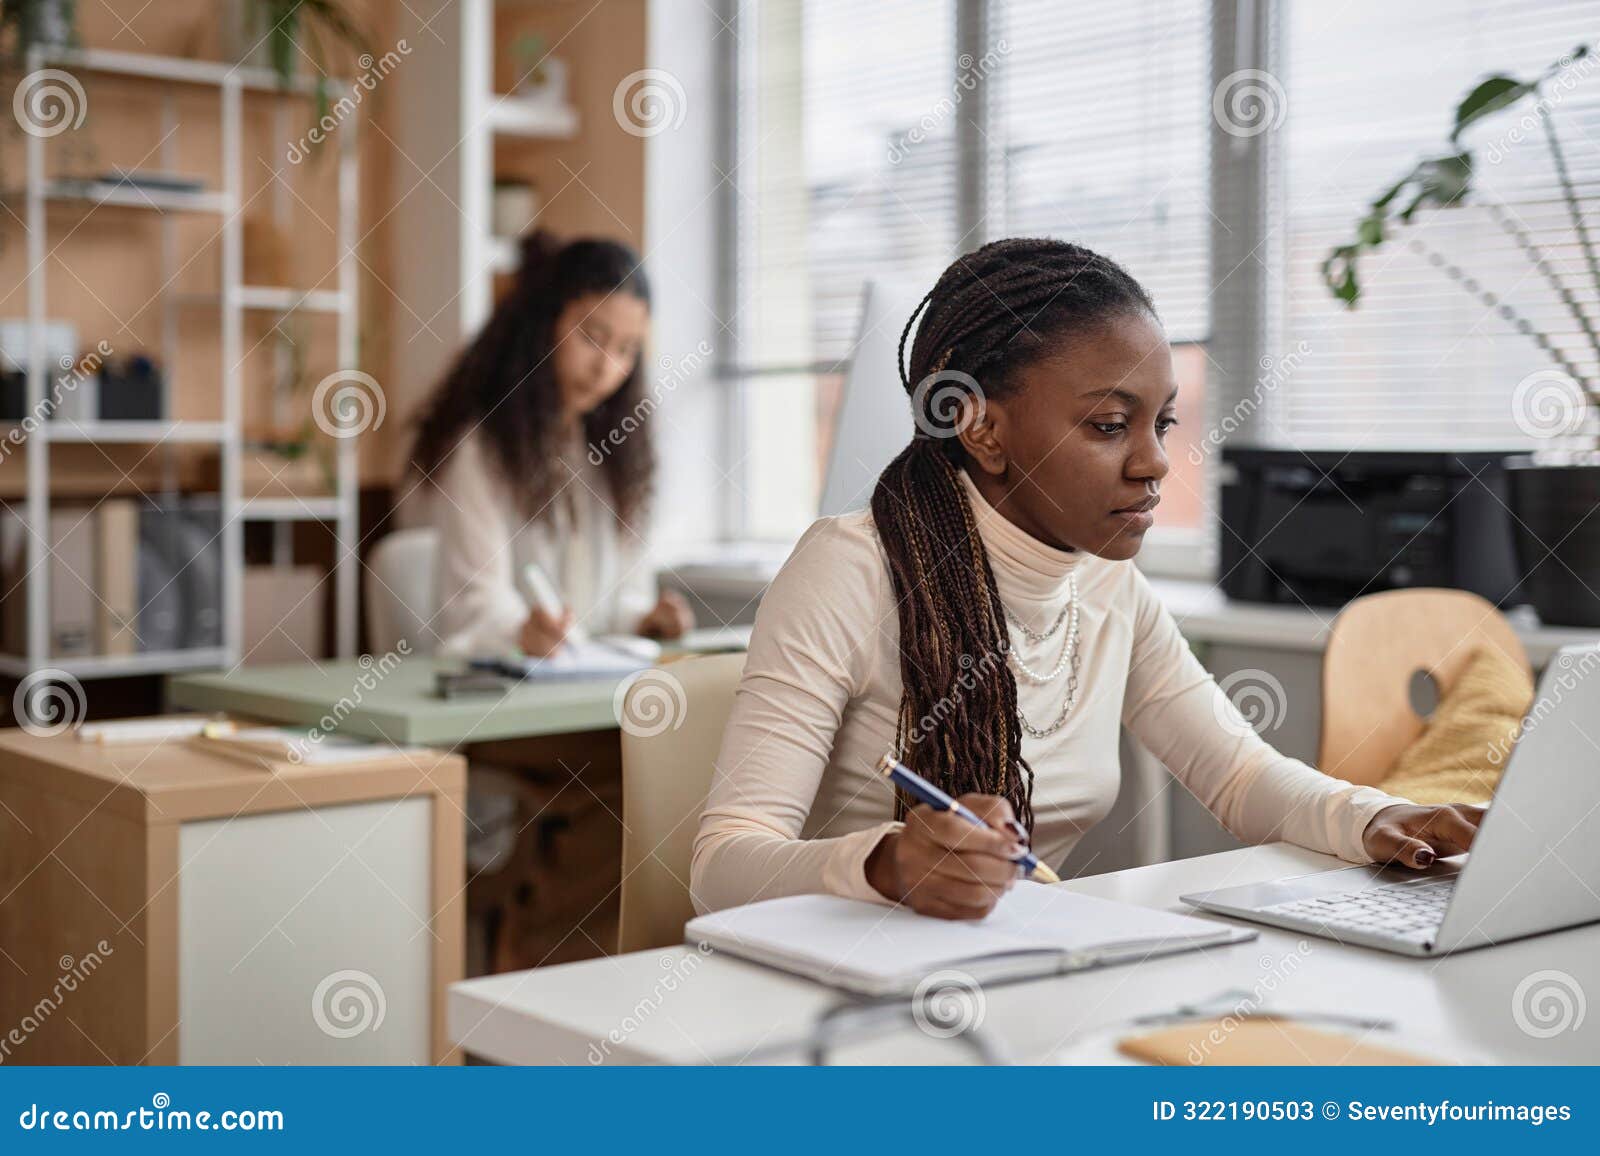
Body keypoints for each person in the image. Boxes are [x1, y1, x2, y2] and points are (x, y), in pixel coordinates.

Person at [692, 237, 1481, 920]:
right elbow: (721, 867)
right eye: (1110, 425)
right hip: (838, 999)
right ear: (982, 426)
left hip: (1009, 975)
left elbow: (1239, 775)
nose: (1156, 462)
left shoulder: (1105, 583)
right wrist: (889, 865)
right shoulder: (850, 568)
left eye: (1161, 423)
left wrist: (1382, 819)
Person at [408, 231, 693, 658]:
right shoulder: (482, 451)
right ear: (544, 328)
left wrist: (643, 619)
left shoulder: (614, 454)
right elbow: (474, 607)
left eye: (627, 349)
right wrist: (523, 632)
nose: (606, 368)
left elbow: (608, 602)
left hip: (586, 686)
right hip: (505, 697)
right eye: (592, 337)